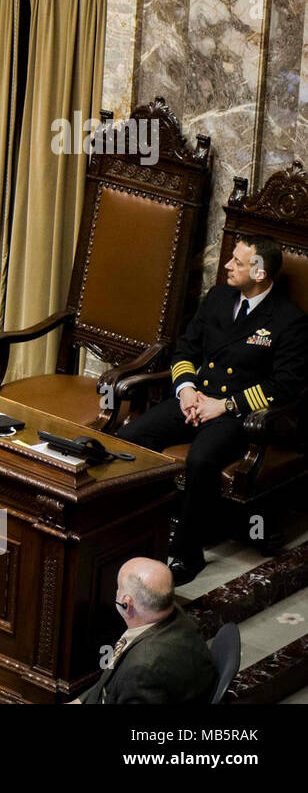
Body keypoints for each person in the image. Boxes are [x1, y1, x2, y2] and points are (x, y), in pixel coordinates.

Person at [117, 235, 308, 585]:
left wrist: (226, 405)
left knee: (202, 460)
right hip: (195, 399)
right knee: (129, 437)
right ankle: (126, 528)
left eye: (237, 261)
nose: (227, 265)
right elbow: (185, 350)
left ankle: (188, 552)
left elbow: (285, 386)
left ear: (261, 273)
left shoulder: (288, 319)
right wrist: (186, 389)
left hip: (238, 415)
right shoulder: (219, 297)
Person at [71, 557, 217, 704]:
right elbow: (108, 684)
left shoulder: (141, 671)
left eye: (118, 587)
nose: (116, 591)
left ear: (126, 603)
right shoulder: (169, 609)